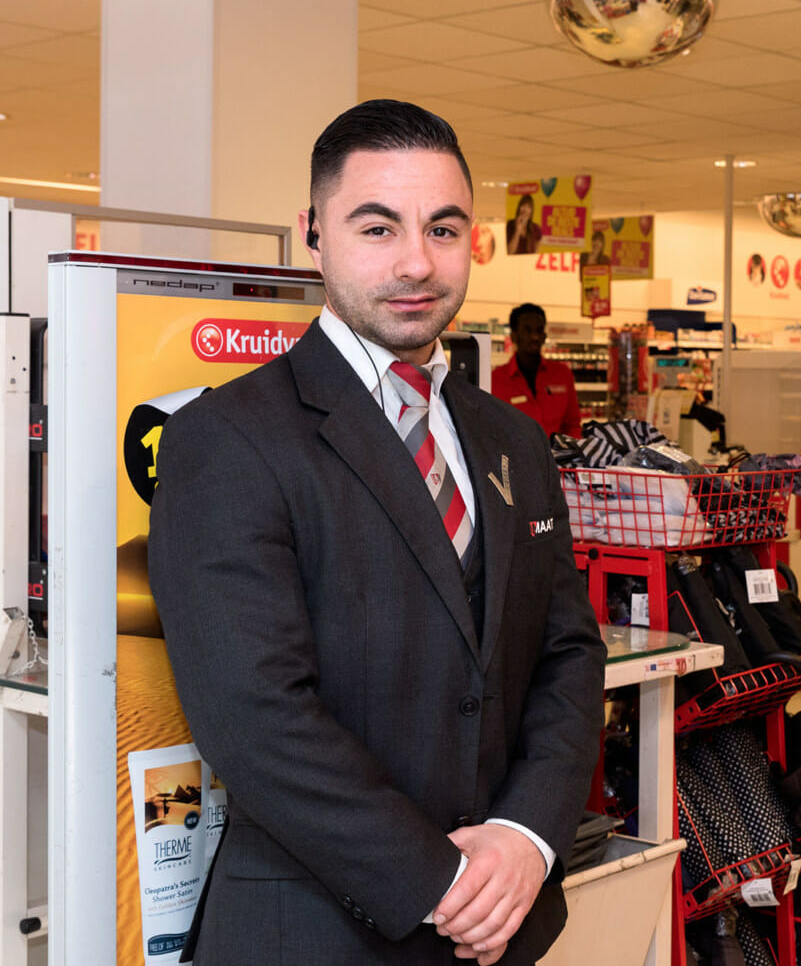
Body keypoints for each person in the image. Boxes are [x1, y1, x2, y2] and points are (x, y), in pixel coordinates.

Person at [147, 99, 605, 966]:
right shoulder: (228, 440)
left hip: (500, 926)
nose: (415, 262)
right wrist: (443, 884)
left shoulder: (511, 439)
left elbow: (567, 654)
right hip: (318, 930)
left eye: (442, 227)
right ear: (312, 234)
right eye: (376, 226)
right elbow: (255, 719)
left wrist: (524, 837)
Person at [489, 304, 583, 440]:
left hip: (557, 458)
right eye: (527, 330)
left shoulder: (562, 375)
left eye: (539, 330)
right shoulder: (496, 380)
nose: (535, 337)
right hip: (516, 458)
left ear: (544, 335)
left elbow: (573, 424)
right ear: (514, 336)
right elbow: (493, 429)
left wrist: (568, 452)